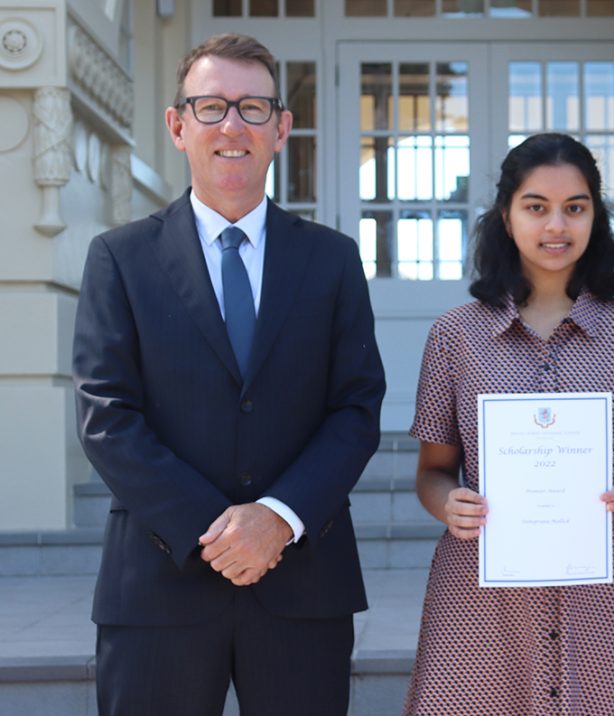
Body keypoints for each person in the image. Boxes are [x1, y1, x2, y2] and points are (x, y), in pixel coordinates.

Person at [72, 33, 385, 715]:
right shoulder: (119, 258)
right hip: (159, 583)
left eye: (253, 107)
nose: (233, 125)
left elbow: (357, 408)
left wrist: (277, 519)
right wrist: (215, 530)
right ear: (177, 125)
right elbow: (106, 416)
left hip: (302, 584)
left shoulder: (332, 260)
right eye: (211, 106)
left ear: (281, 128)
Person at [404, 133, 614, 714]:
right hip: (481, 594)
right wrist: (449, 503)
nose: (557, 225)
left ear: (596, 216)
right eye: (536, 207)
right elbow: (432, 472)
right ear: (506, 216)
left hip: (600, 589)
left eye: (575, 207)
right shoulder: (455, 335)